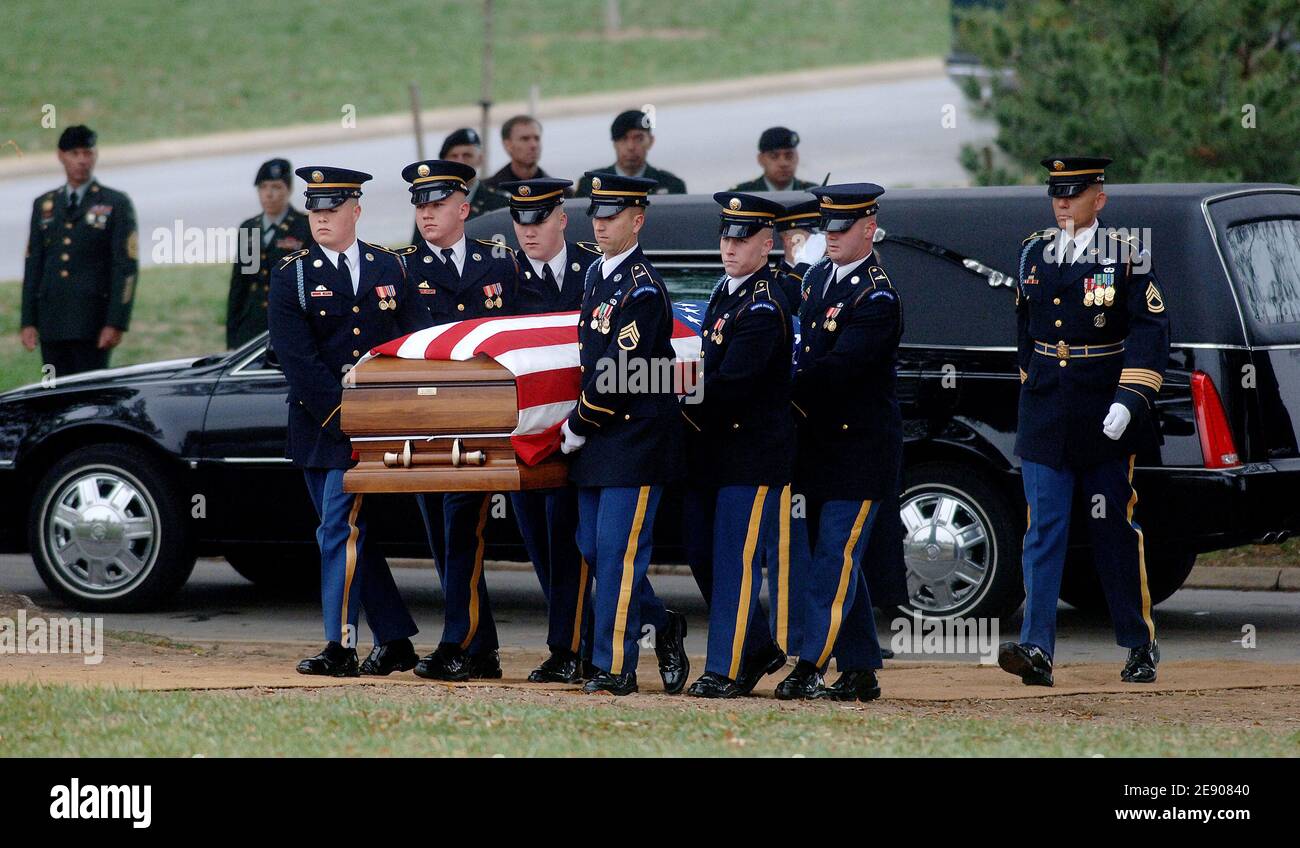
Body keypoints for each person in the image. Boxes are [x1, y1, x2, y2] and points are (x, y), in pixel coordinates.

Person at [998, 156, 1169, 687]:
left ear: (1100, 197)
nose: (1063, 202)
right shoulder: (1032, 250)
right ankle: (1037, 649)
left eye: (1074, 192)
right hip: (1048, 409)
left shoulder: (1126, 257)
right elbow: (1026, 323)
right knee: (1042, 529)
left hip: (1103, 409)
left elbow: (1150, 332)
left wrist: (1130, 398)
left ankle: (1139, 643)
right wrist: (1031, 377)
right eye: (1057, 193)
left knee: (1111, 529)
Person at [267, 166, 431, 677]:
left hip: (374, 425)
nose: (321, 219)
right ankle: (396, 638)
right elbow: (297, 360)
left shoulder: (391, 268)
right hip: (322, 425)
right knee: (342, 532)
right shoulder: (291, 273)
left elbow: (409, 340)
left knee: (341, 529)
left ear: (355, 211)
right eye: (315, 210)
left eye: (332, 210)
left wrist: (388, 409)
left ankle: (340, 647)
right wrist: (343, 416)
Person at [561, 172, 689, 696]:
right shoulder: (597, 274)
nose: (601, 223)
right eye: (596, 214)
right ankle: (661, 620)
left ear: (637, 221)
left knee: (617, 551)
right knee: (591, 544)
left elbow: (619, 371)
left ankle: (615, 666)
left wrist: (575, 423)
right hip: (602, 440)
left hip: (633, 439)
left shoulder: (642, 288)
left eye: (612, 216)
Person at [776, 183, 902, 702]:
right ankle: (860, 666)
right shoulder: (819, 277)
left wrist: (774, 392)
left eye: (842, 227)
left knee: (833, 558)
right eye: (826, 225)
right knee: (832, 558)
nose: (830, 235)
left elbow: (838, 371)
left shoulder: (877, 296)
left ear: (868, 229)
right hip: (819, 445)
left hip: (858, 450)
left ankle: (810, 663)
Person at [399, 158, 521, 682]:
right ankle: (481, 647)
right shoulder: (401, 270)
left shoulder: (498, 265)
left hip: (480, 419)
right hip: (427, 419)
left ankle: (457, 642)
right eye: (420, 205)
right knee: (443, 537)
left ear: (464, 209)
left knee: (461, 530)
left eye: (437, 205)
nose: (427, 214)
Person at [681, 192, 795, 698]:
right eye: (725, 235)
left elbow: (731, 384)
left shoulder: (763, 305)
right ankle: (756, 648)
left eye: (742, 238)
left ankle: (724, 669)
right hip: (716, 455)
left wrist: (670, 394)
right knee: (702, 553)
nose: (730, 245)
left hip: (750, 455)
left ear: (766, 244)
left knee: (735, 560)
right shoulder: (726, 292)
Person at [499, 176, 602, 682]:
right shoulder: (504, 275)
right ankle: (572, 643)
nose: (528, 231)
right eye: (520, 221)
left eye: (538, 220)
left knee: (573, 543)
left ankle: (569, 649)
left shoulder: (591, 268)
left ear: (561, 219)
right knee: (539, 543)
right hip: (524, 435)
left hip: (584, 430)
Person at [21, 125, 138, 377]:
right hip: (52, 321)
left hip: (91, 322)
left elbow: (125, 267)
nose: (82, 161)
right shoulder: (44, 205)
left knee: (87, 395)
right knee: (54, 396)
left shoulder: (114, 203)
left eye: (88, 153)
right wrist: (28, 321)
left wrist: (115, 322)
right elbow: (34, 265)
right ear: (61, 156)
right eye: (75, 153)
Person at [227, 158, 311, 348]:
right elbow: (240, 285)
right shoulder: (249, 228)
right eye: (263, 187)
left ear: (288, 190)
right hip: (251, 327)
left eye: (276, 187)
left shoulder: (303, 227)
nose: (269, 194)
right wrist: (232, 338)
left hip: (289, 322)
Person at [408, 128, 507, 243]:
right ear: (444, 162)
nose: (460, 161)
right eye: (454, 156)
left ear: (480, 159)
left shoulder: (499, 202)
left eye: (467, 155)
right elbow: (419, 247)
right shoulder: (429, 202)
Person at [574, 110, 686, 197]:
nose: (631, 147)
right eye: (623, 139)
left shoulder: (672, 186)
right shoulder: (591, 185)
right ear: (614, 143)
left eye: (638, 139)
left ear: (651, 141)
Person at [729, 127, 816, 193]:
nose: (783, 163)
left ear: (797, 157)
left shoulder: (814, 194)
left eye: (789, 156)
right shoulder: (742, 195)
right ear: (761, 159)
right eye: (774, 156)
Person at [481, 115, 557, 191]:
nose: (534, 145)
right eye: (525, 139)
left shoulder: (557, 190)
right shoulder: (488, 191)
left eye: (537, 138)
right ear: (507, 145)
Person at [772, 197, 823, 305]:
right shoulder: (775, 280)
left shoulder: (826, 272)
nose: (822, 242)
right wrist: (805, 265)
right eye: (812, 236)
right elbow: (789, 303)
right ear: (789, 241)